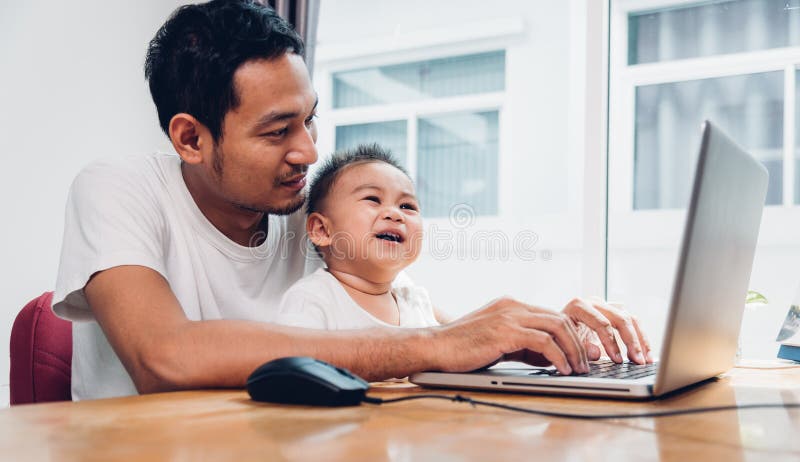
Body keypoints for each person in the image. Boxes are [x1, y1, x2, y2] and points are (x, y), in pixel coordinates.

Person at [53, 0, 652, 401]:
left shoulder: (303, 210)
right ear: (191, 139)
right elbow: (164, 359)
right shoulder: (117, 189)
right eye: (277, 131)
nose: (309, 151)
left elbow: (422, 325)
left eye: (310, 119)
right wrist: (436, 345)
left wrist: (533, 333)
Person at [275, 144, 443, 330]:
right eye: (373, 199)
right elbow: (296, 348)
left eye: (407, 206)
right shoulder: (311, 299)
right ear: (322, 230)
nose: (395, 214)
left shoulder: (415, 301)